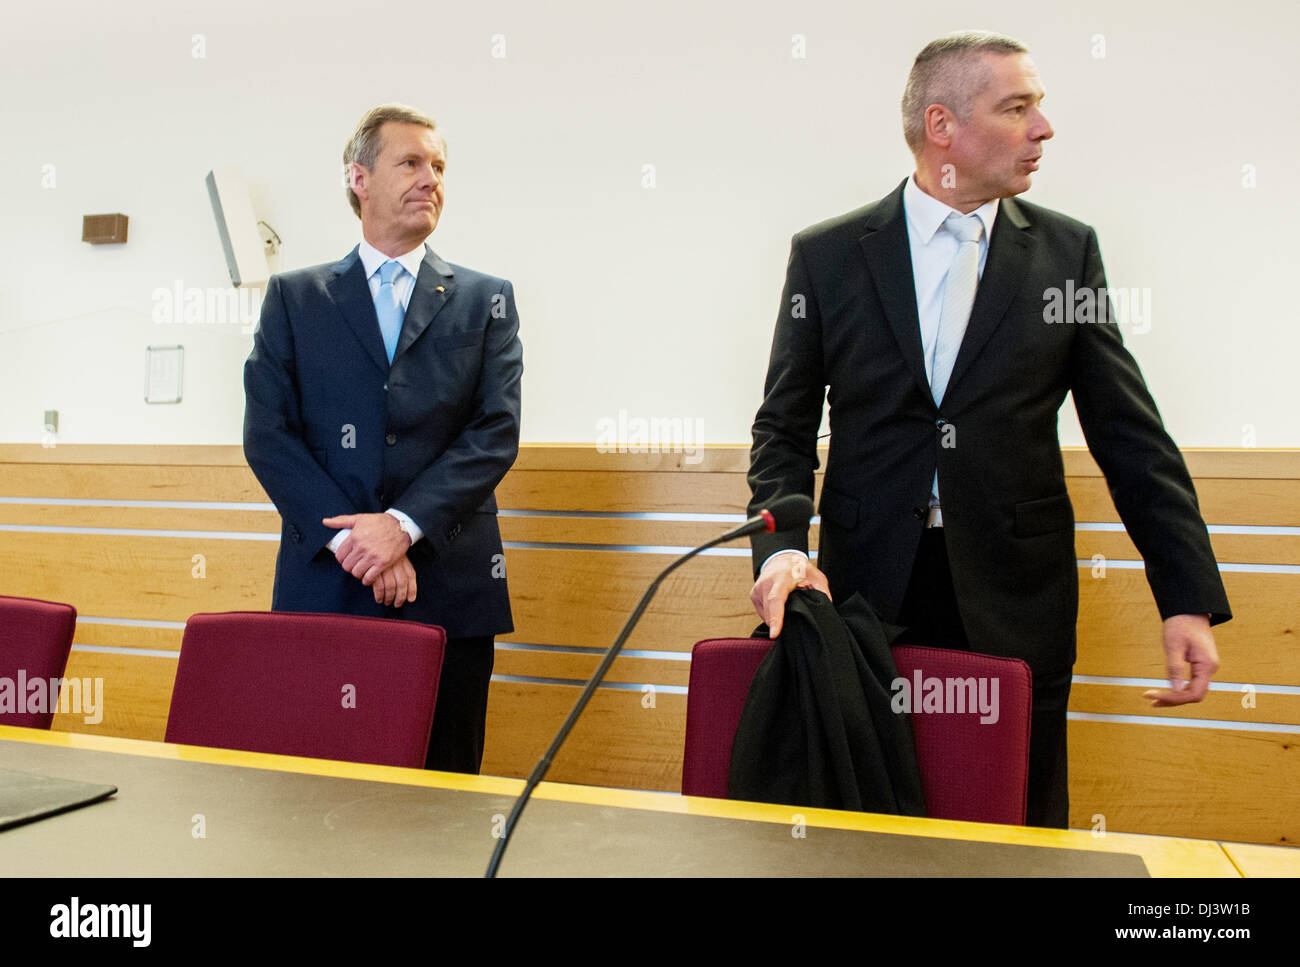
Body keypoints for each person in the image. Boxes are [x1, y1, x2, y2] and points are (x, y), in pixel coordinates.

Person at [745, 32, 1230, 827]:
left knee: (1021, 832)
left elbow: (1130, 434)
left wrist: (1187, 597)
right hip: (867, 597)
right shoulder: (828, 256)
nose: (1044, 128)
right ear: (943, 126)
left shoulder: (1066, 254)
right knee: (871, 832)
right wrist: (784, 550)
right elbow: (783, 427)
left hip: (1018, 596)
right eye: (1019, 107)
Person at [243, 104, 523, 774]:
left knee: (446, 801)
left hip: (450, 590)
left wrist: (401, 526)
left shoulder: (488, 298)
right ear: (359, 178)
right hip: (327, 589)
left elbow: (495, 431)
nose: (430, 179)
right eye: (411, 162)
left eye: (439, 167)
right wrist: (355, 542)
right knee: (321, 794)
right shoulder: (295, 298)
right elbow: (268, 434)